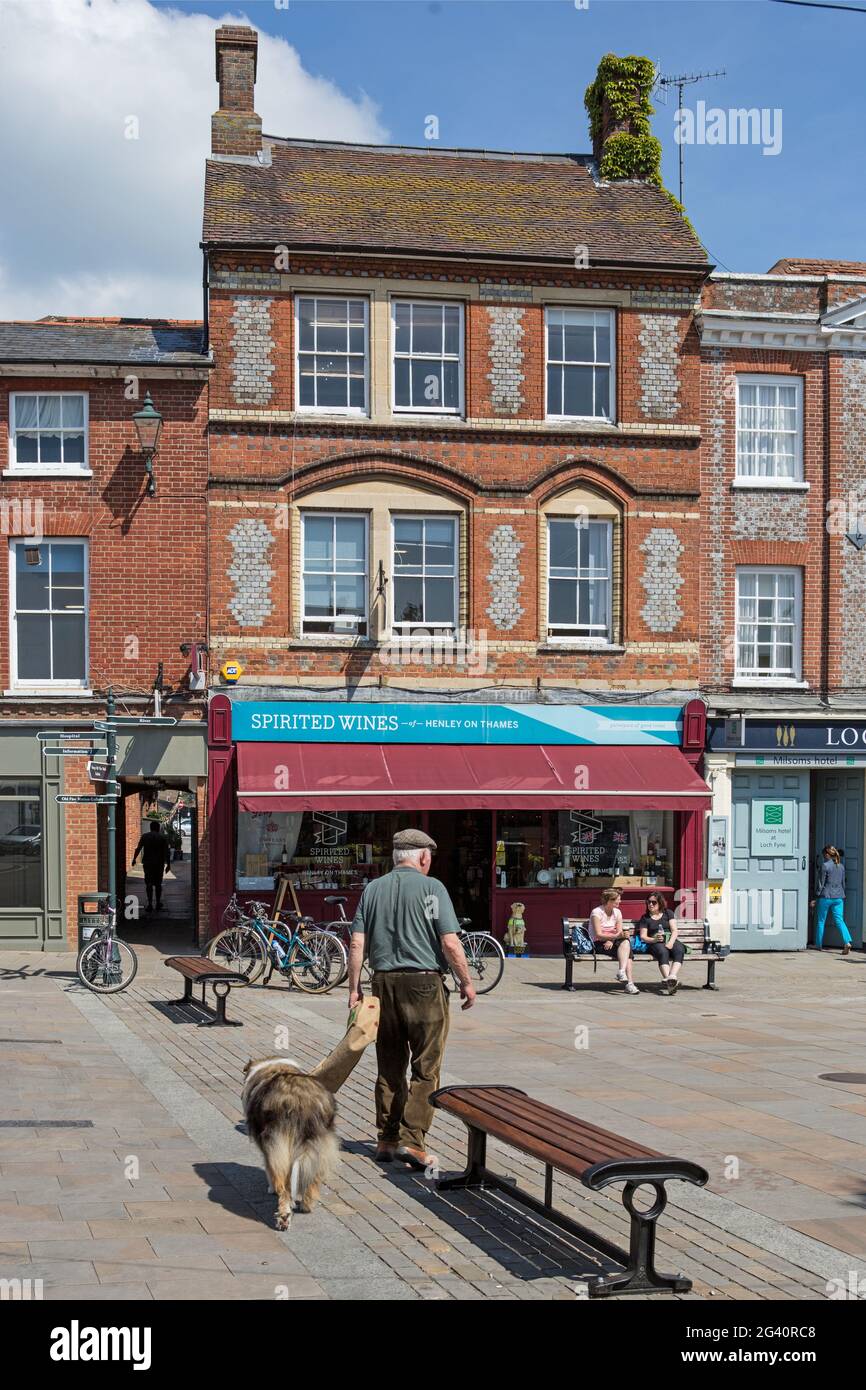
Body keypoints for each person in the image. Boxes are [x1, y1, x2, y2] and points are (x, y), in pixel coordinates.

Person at [347, 828, 476, 1169]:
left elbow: (357, 944)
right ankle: (412, 1140)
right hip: (424, 985)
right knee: (425, 1067)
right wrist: (466, 982)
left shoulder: (372, 889)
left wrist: (354, 987)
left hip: (384, 983)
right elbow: (450, 943)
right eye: (429, 858)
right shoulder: (433, 888)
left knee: (389, 1065)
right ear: (422, 857)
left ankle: (386, 1139)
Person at [589, 887, 638, 994]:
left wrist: (612, 940)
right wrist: (614, 938)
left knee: (626, 943)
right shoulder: (596, 912)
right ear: (609, 900)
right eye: (617, 899)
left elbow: (619, 931)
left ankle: (621, 973)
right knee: (628, 952)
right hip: (598, 943)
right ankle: (629, 984)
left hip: (612, 941)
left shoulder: (617, 912)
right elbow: (598, 935)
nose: (620, 901)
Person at [636, 892, 684, 994]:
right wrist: (654, 940)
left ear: (660, 903)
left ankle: (672, 977)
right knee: (662, 951)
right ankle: (669, 981)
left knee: (679, 949)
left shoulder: (668, 913)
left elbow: (675, 930)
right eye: (648, 902)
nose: (651, 904)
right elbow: (643, 936)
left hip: (669, 939)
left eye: (654, 902)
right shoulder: (645, 918)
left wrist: (671, 942)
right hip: (654, 942)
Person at [810, 845, 852, 954]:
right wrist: (842, 894)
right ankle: (847, 942)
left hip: (826, 897)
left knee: (820, 921)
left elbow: (821, 884)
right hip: (839, 897)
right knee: (839, 920)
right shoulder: (841, 866)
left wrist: (815, 897)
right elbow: (843, 884)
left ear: (828, 855)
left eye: (824, 854)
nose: (824, 857)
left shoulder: (825, 866)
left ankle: (818, 945)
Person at [132, 820, 172, 914]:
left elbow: (138, 848)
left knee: (149, 883)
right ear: (158, 828)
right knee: (158, 883)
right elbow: (167, 852)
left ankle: (150, 904)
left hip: (148, 863)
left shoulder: (145, 836)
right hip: (159, 863)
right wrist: (168, 864)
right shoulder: (162, 837)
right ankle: (158, 903)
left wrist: (134, 859)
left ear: (150, 828)